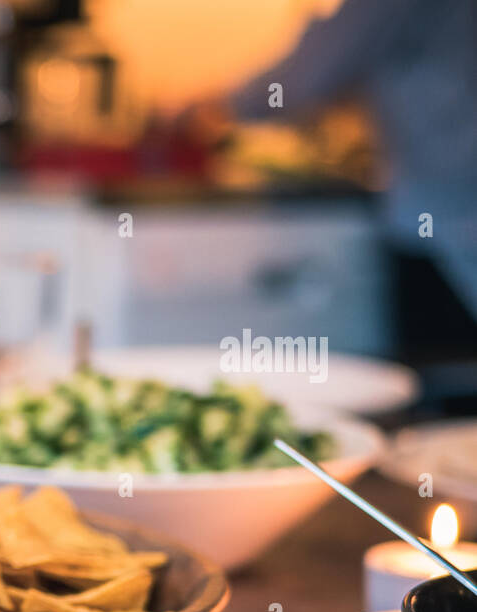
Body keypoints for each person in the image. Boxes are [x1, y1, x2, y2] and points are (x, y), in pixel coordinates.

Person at [183, 0, 477, 405]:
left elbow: (302, 80)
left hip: (447, 216)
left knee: (447, 399)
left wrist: (205, 108)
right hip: (453, 207)